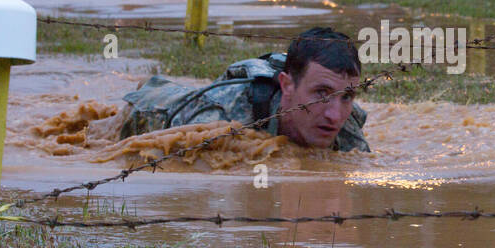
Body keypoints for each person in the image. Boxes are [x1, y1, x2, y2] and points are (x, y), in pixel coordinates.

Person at [117, 27, 370, 152]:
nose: (335, 116)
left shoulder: (346, 129)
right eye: (321, 94)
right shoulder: (221, 121)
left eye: (347, 96)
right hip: (148, 108)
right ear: (287, 85)